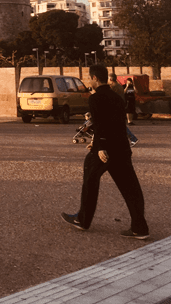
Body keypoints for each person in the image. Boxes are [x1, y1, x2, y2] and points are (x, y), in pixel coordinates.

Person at [61, 64, 149, 239]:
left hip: (106, 149)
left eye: (89, 77)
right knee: (130, 187)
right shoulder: (117, 97)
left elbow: (100, 123)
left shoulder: (95, 98)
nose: (89, 81)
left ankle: (83, 219)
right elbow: (116, 124)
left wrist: (99, 145)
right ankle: (140, 227)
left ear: (94, 78)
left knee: (90, 180)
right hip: (121, 147)